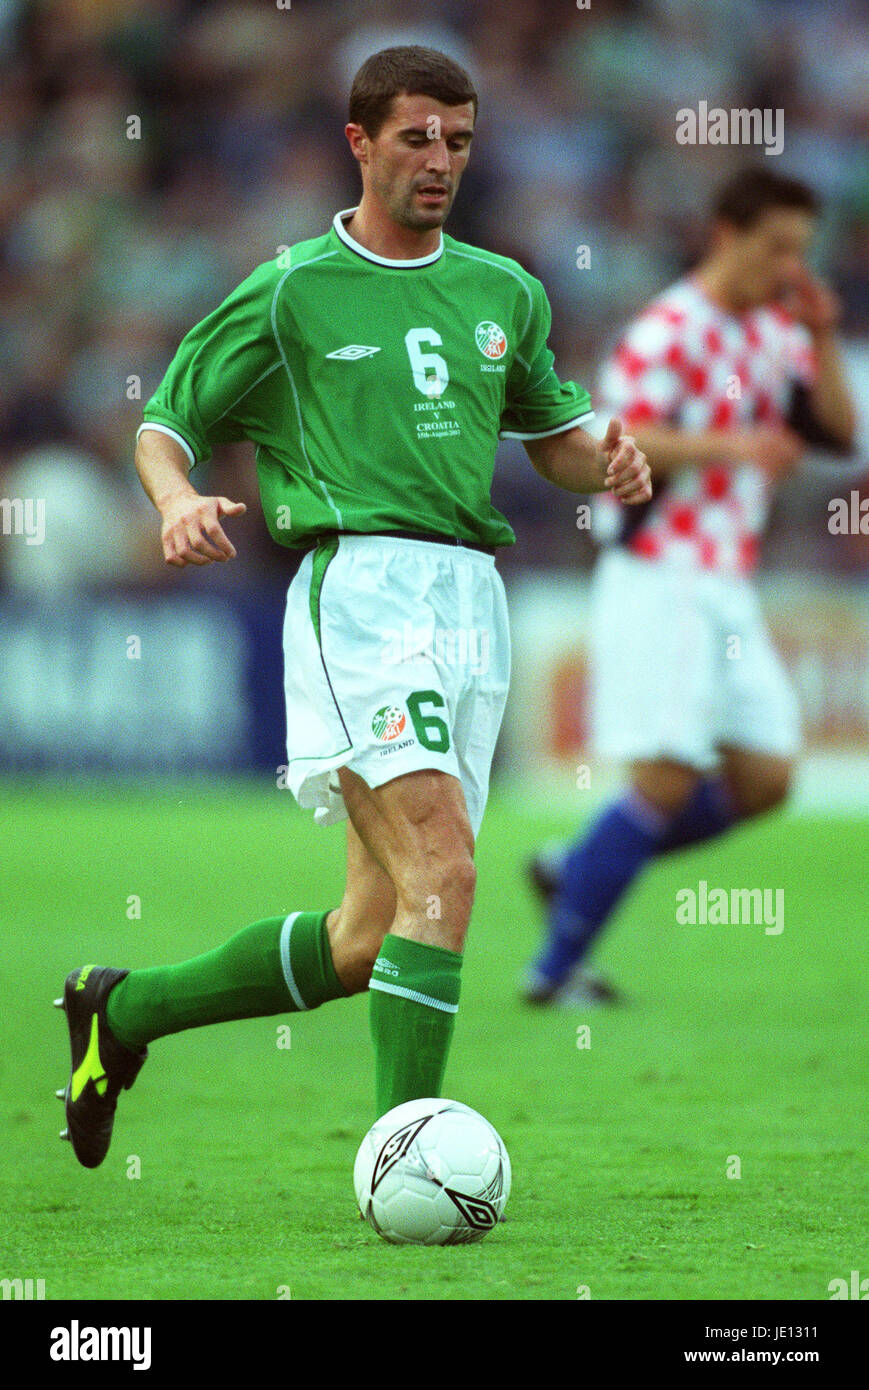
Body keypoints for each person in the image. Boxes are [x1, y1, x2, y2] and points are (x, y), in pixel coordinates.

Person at [55, 46, 650, 1168]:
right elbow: (165, 423)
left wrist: (604, 462)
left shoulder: (503, 290)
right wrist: (176, 497)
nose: (439, 161)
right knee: (450, 873)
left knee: (366, 940)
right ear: (359, 142)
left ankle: (119, 1012)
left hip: (472, 600)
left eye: (459, 141)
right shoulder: (289, 289)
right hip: (361, 594)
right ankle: (402, 1158)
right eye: (416, 137)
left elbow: (554, 437)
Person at [522, 166, 855, 1007]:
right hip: (657, 573)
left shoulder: (777, 331)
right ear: (724, 236)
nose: (788, 267)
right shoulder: (665, 328)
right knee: (664, 778)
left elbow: (840, 435)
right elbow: (616, 442)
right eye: (775, 247)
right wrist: (733, 447)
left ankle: (574, 865)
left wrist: (819, 336)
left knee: (766, 781)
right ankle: (555, 974)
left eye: (800, 252)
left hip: (727, 585)